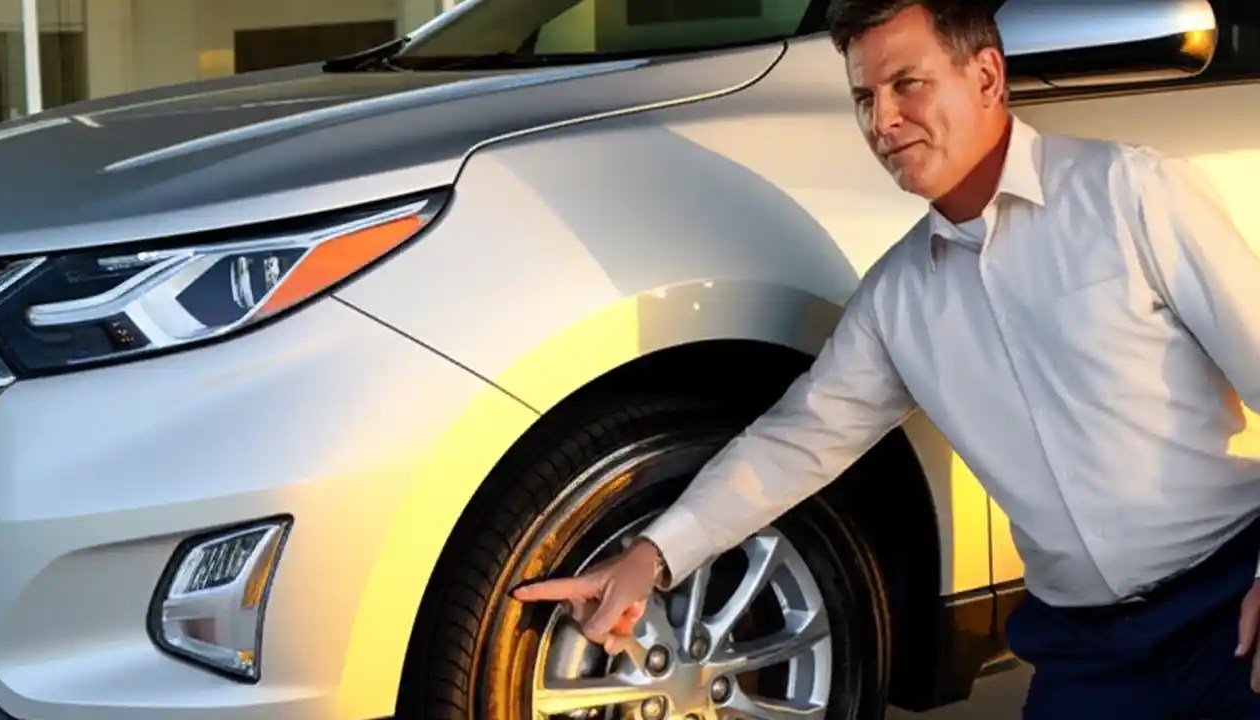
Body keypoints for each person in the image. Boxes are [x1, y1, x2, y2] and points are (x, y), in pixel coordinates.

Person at [513, 0, 1260, 716]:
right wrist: (649, 556)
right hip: (1091, 654)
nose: (883, 121)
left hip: (1234, 594)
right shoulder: (898, 298)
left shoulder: (1130, 193)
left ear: (988, 78)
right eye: (864, 97)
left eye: (908, 84)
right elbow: (793, 444)